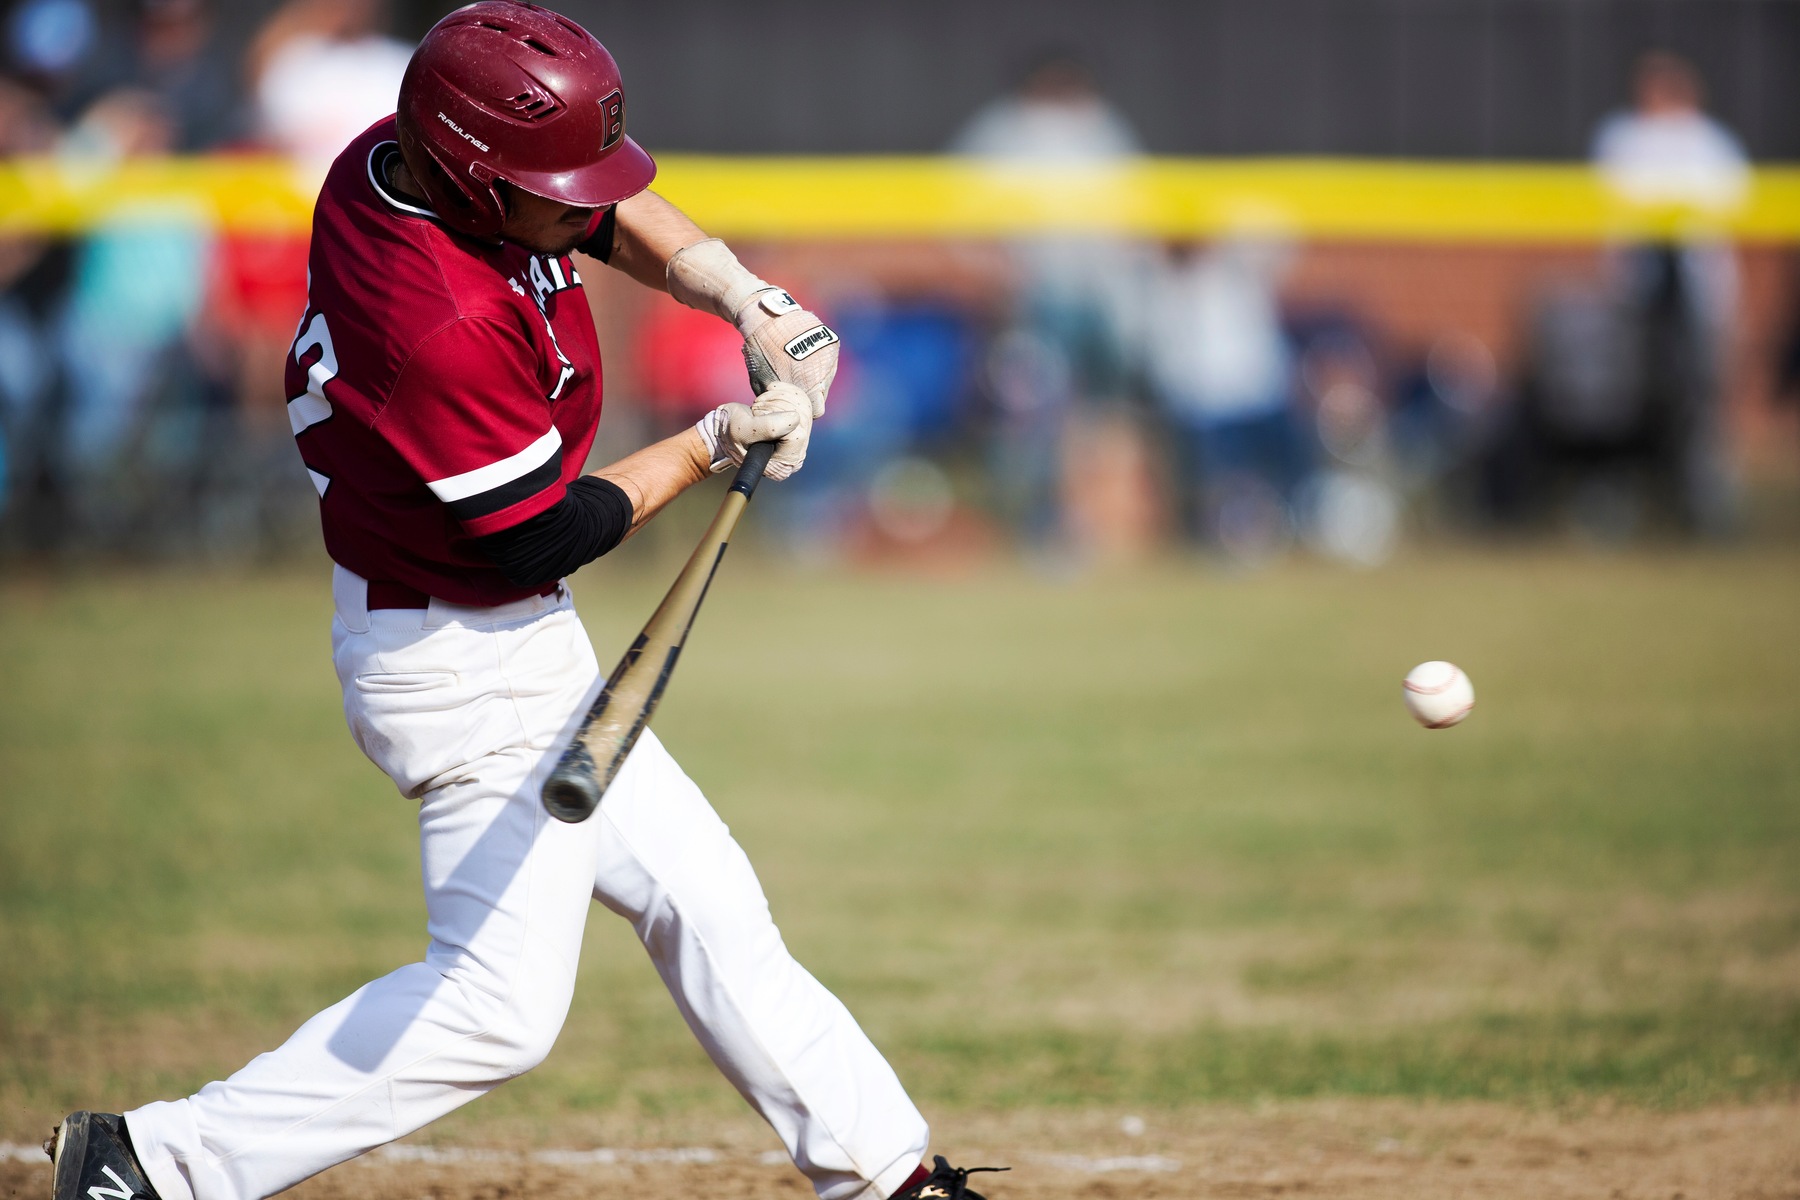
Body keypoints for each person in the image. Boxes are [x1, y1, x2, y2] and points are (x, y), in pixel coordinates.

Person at [44, 8, 1000, 1200]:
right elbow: (534, 533)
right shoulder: (432, 317)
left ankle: (888, 1176)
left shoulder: (405, 163)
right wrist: (713, 441)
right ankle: (153, 1166)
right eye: (551, 186)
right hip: (454, 654)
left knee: (710, 908)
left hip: (510, 635)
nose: (582, 204)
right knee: (498, 1010)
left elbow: (600, 212)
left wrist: (740, 295)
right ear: (472, 178)